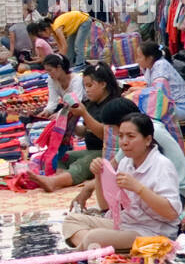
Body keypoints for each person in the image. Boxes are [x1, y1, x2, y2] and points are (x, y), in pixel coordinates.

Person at [61, 113, 183, 251]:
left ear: (148, 140)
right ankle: (97, 250)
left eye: (131, 136)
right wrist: (98, 176)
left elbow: (172, 213)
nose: (124, 142)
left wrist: (139, 188)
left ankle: (93, 249)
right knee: (71, 221)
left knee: (93, 237)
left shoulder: (162, 166)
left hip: (153, 231)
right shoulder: (126, 162)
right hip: (128, 224)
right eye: (121, 136)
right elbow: (105, 206)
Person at [33, 61, 137, 191]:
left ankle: (55, 181)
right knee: (62, 157)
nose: (86, 90)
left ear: (103, 84)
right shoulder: (92, 104)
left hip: (106, 152)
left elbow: (106, 135)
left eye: (90, 85)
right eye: (85, 86)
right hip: (91, 150)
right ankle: (61, 177)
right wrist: (69, 125)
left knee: (83, 163)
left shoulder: (113, 105)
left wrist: (84, 114)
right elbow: (85, 132)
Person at [136, 42, 185, 121]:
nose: (137, 60)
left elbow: (158, 93)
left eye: (139, 57)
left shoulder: (160, 66)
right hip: (173, 106)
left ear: (149, 58)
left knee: (138, 106)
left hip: (182, 109)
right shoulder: (150, 68)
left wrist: (137, 93)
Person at [38, 53, 84, 118]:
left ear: (59, 67)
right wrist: (47, 111)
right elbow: (53, 100)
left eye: (50, 70)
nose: (49, 74)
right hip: (68, 107)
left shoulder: (76, 80)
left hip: (82, 107)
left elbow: (76, 103)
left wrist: (60, 114)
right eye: (47, 71)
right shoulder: (51, 80)